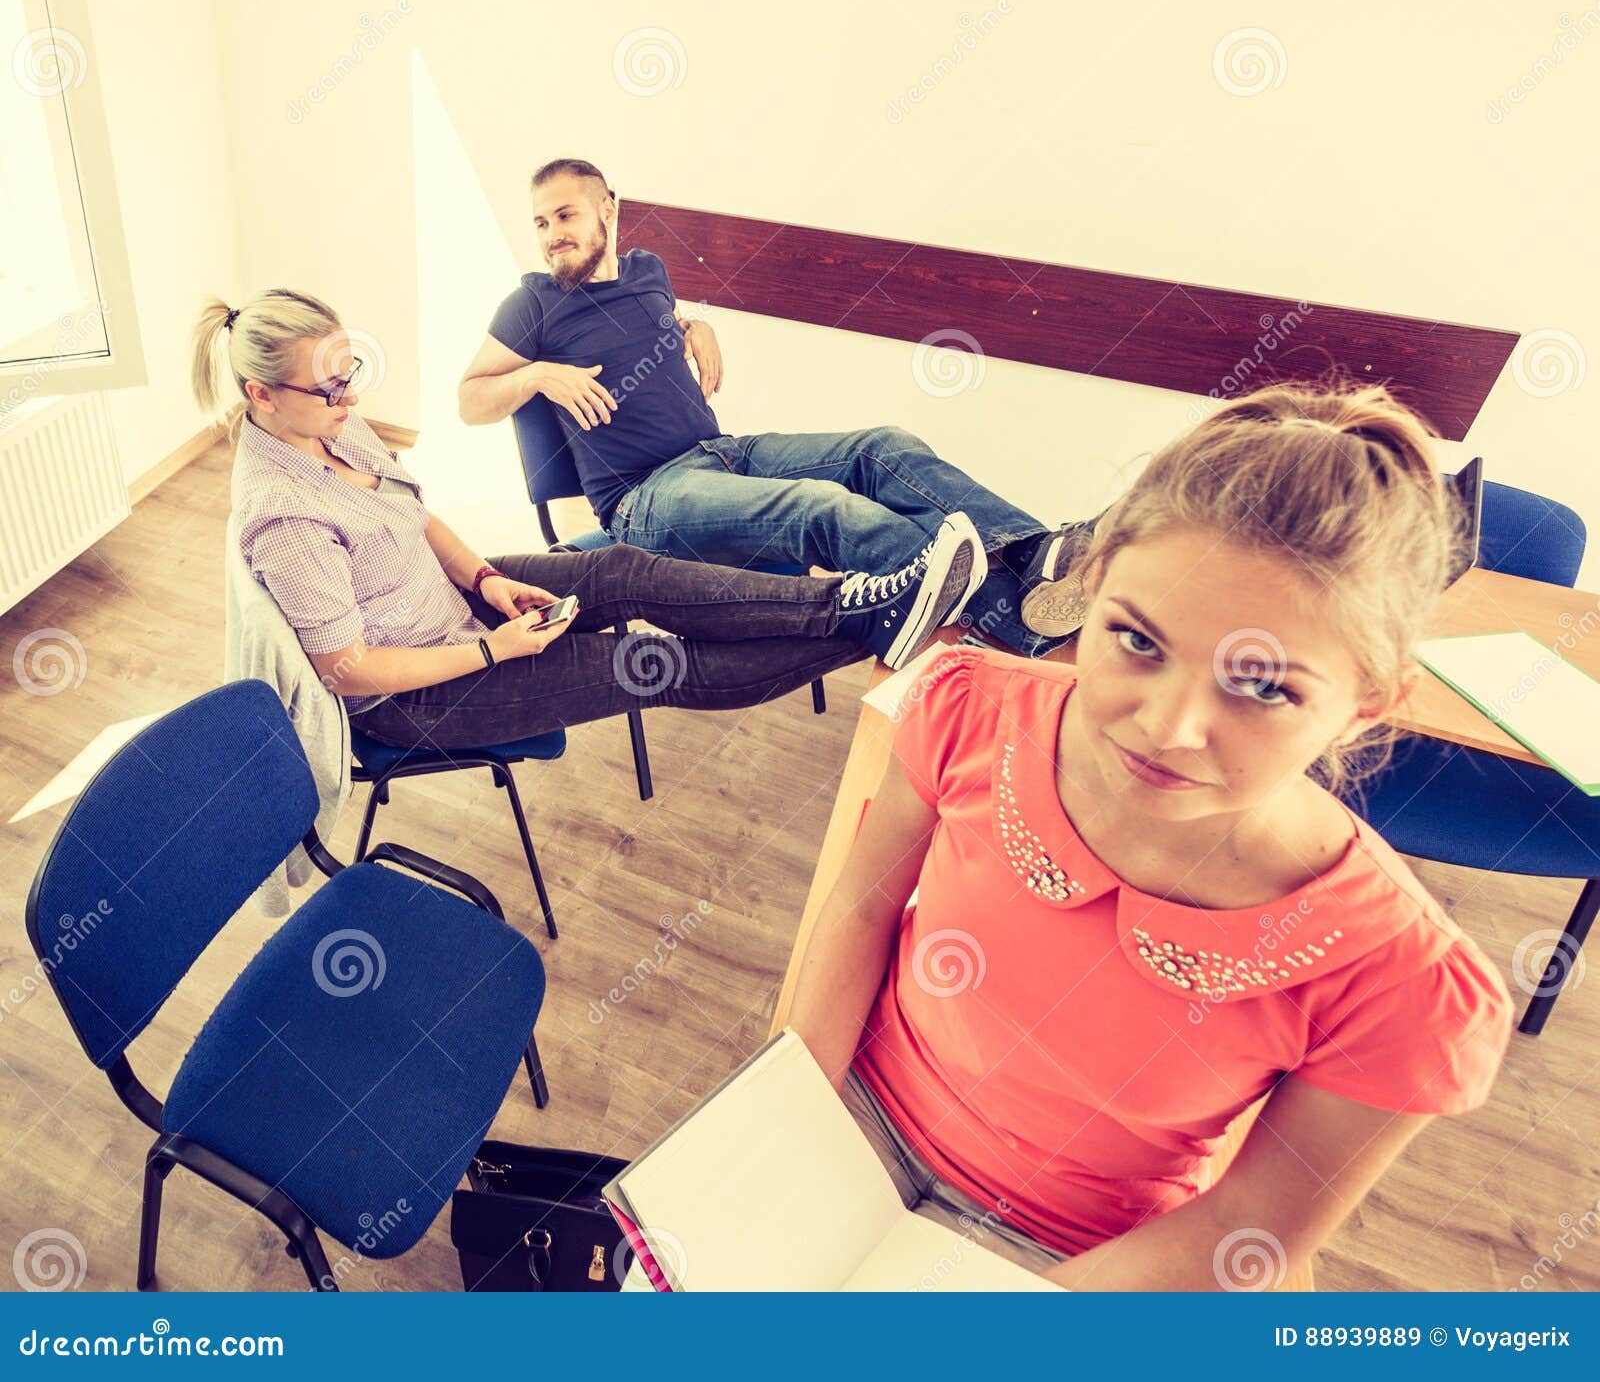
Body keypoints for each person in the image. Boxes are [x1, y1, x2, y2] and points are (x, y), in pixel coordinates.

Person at [786, 378, 1515, 1289]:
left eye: (1264, 687)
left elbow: (1252, 1230)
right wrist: (786, 1123)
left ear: (1370, 705)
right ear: (1093, 585)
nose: (1169, 727)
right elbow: (861, 906)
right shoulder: (969, 711)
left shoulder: (1397, 981)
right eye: (1136, 640)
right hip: (843, 1118)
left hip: (1082, 1267)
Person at [191, 290, 988, 758]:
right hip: (416, 696)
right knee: (642, 663)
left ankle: (862, 605)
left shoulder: (324, 423)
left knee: (620, 573)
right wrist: (488, 648)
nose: (351, 399)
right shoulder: (283, 515)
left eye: (350, 372)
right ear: (262, 396)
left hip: (454, 608)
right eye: (329, 389)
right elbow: (348, 671)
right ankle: (877, 626)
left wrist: (487, 579)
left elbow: (411, 513)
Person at [457, 158, 1099, 657]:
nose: (551, 238)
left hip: (722, 454)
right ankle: (1017, 619)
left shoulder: (648, 269)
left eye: (564, 217)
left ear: (607, 210)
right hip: (645, 499)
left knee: (882, 446)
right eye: (540, 224)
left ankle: (1031, 550)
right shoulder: (533, 304)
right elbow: (470, 399)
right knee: (820, 509)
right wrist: (537, 375)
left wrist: (691, 325)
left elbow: (645, 322)